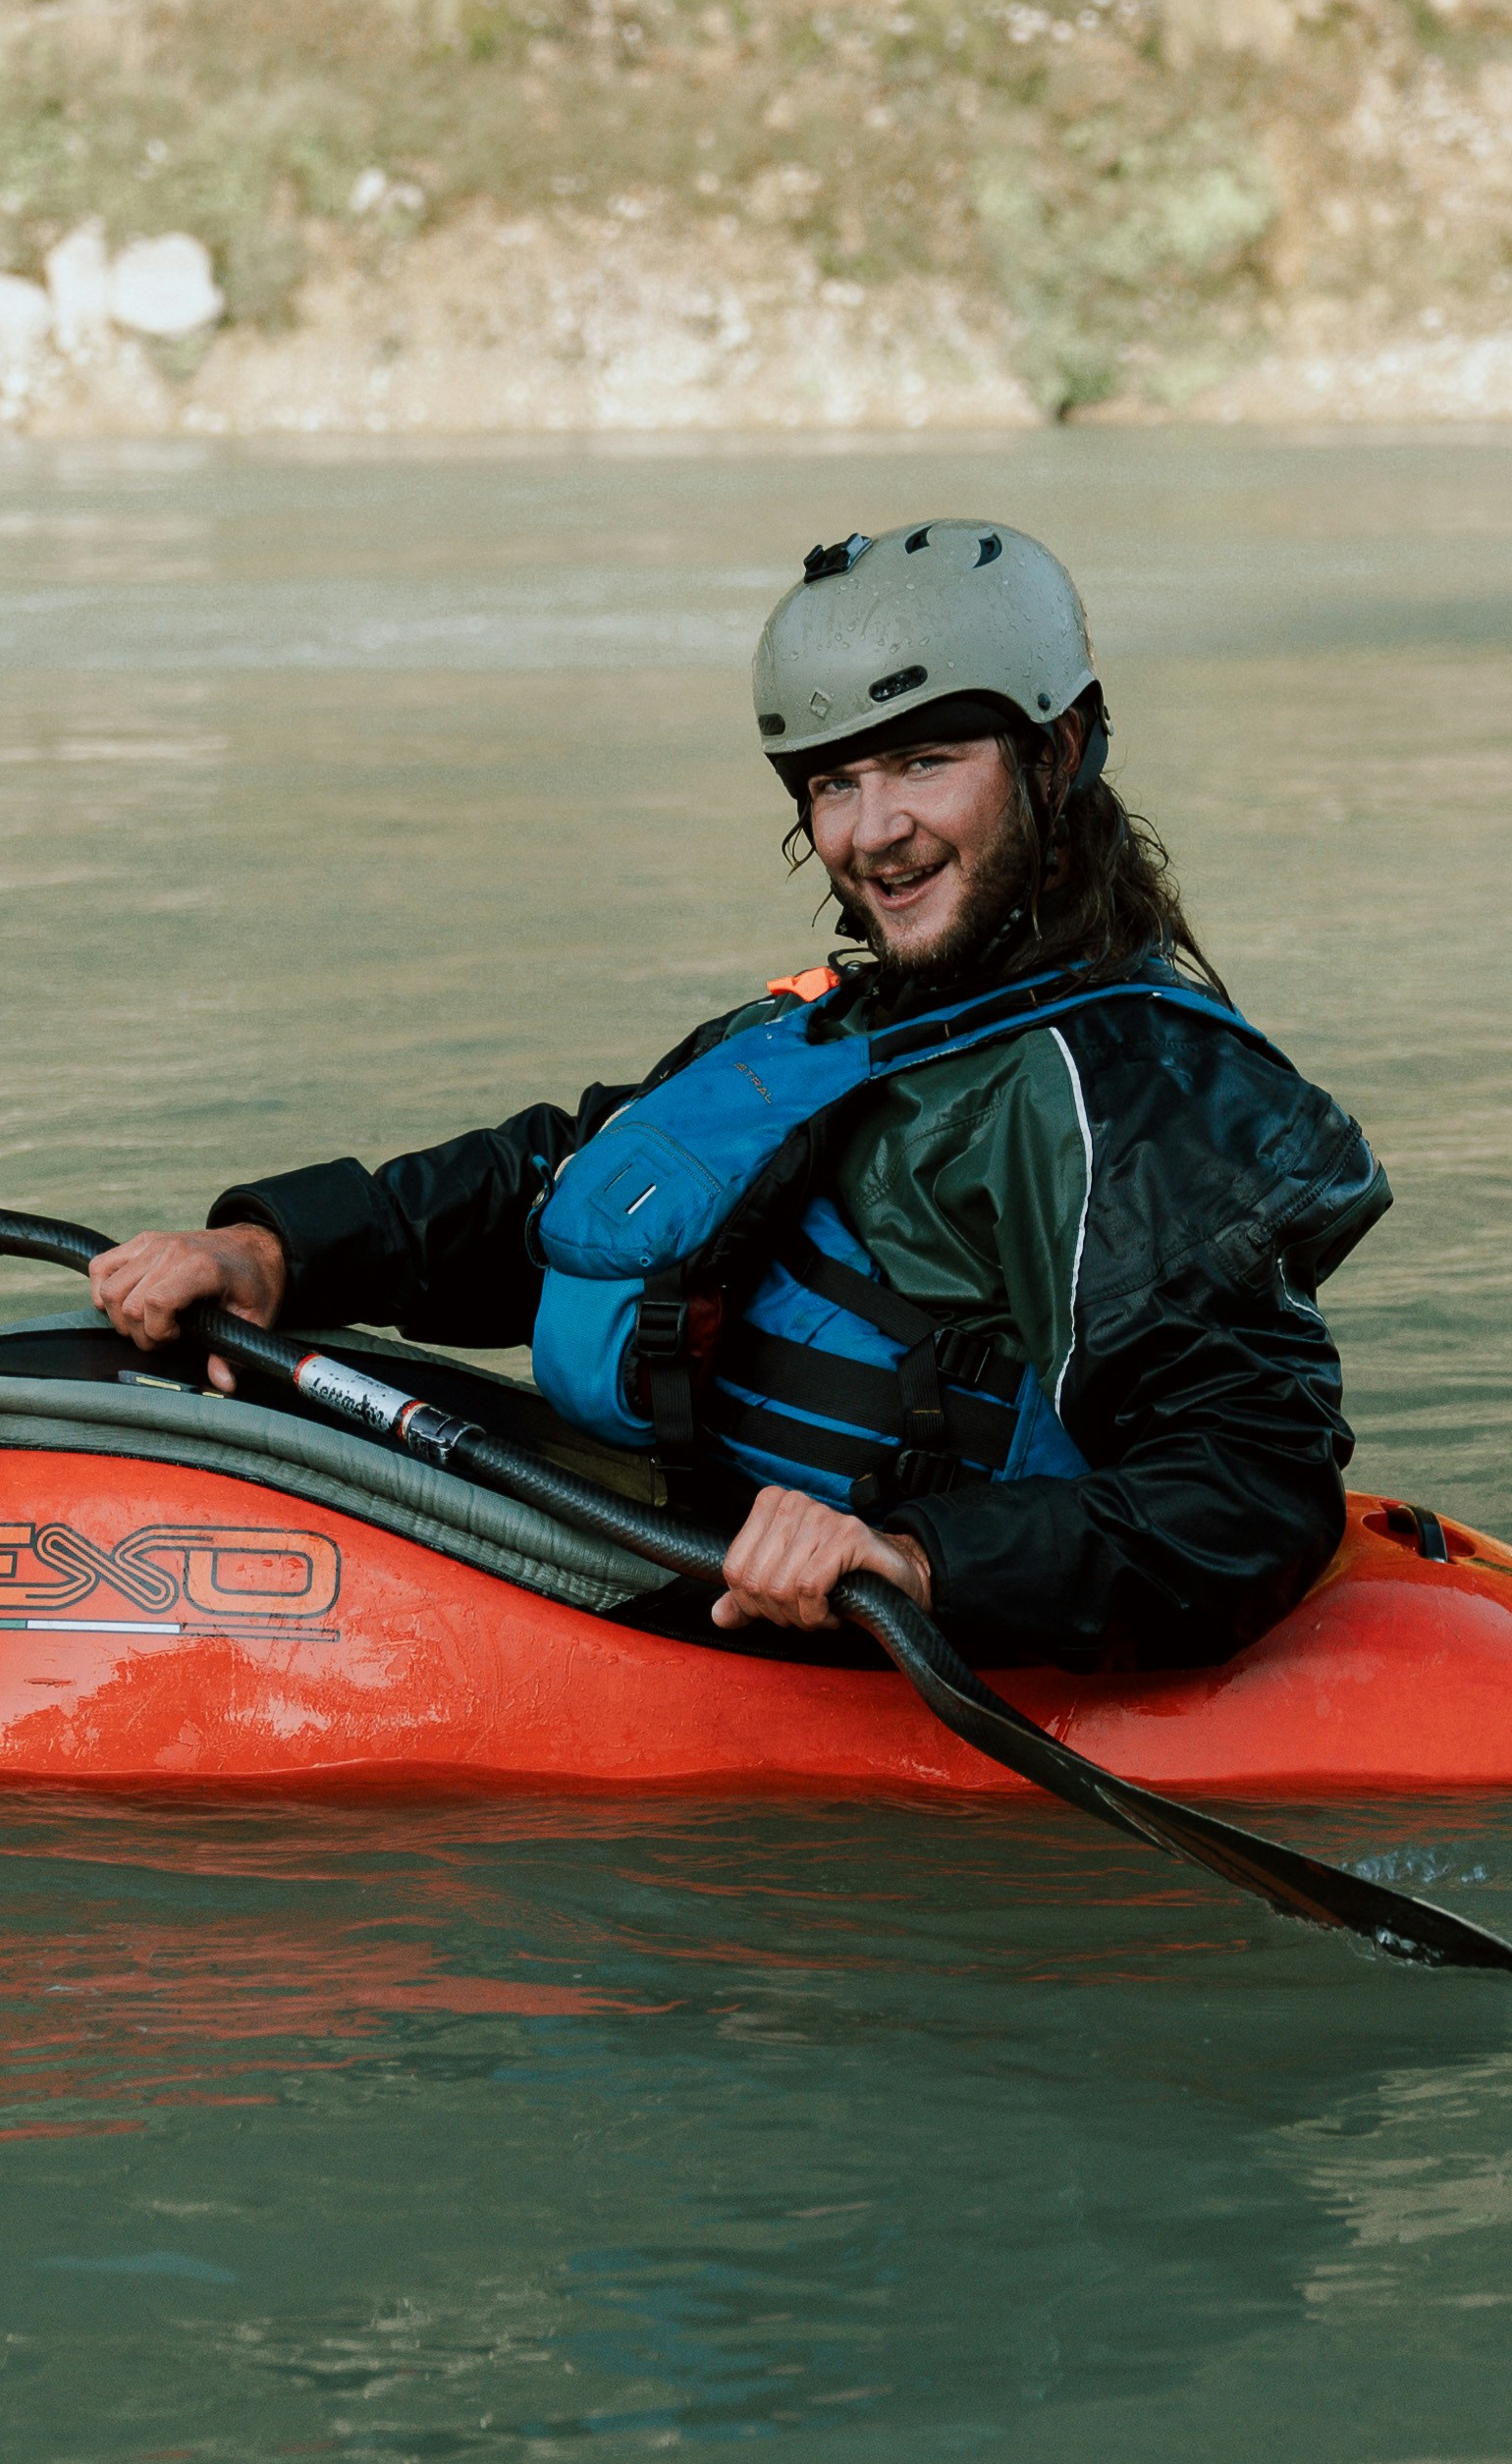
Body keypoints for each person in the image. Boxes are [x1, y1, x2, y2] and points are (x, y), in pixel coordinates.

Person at [84, 521, 1391, 1670]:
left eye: (924, 762)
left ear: (1056, 750)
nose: (871, 832)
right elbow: (566, 1185)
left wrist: (918, 1563)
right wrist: (272, 1252)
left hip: (891, 1623)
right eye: (834, 782)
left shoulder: (1136, 1094)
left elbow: (1249, 1485)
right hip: (701, 1535)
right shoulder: (852, 1017)